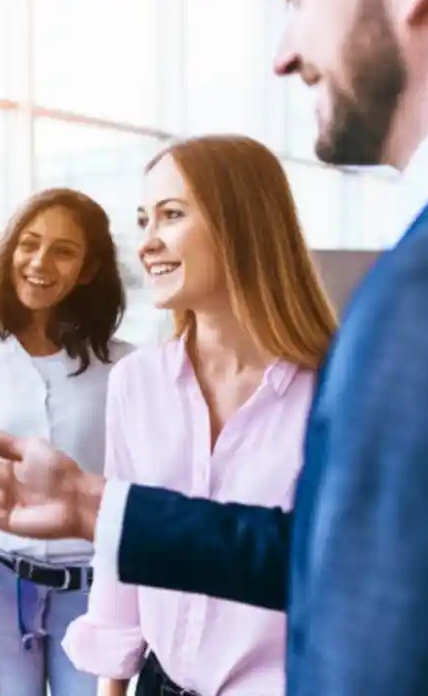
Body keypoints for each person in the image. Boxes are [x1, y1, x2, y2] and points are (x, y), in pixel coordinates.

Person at [0, 0, 428, 693]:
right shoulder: (140, 379)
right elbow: (321, 556)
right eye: (143, 220)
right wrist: (95, 506)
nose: (283, 53)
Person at [59, 136, 335, 696]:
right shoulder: (137, 383)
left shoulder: (334, 394)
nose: (146, 243)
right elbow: (122, 554)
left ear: (242, 225)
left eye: (171, 215)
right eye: (142, 220)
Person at [0, 188, 131, 696]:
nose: (40, 262)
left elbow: (129, 503)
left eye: (63, 251)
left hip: (90, 594)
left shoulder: (125, 371)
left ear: (87, 270)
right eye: (29, 244)